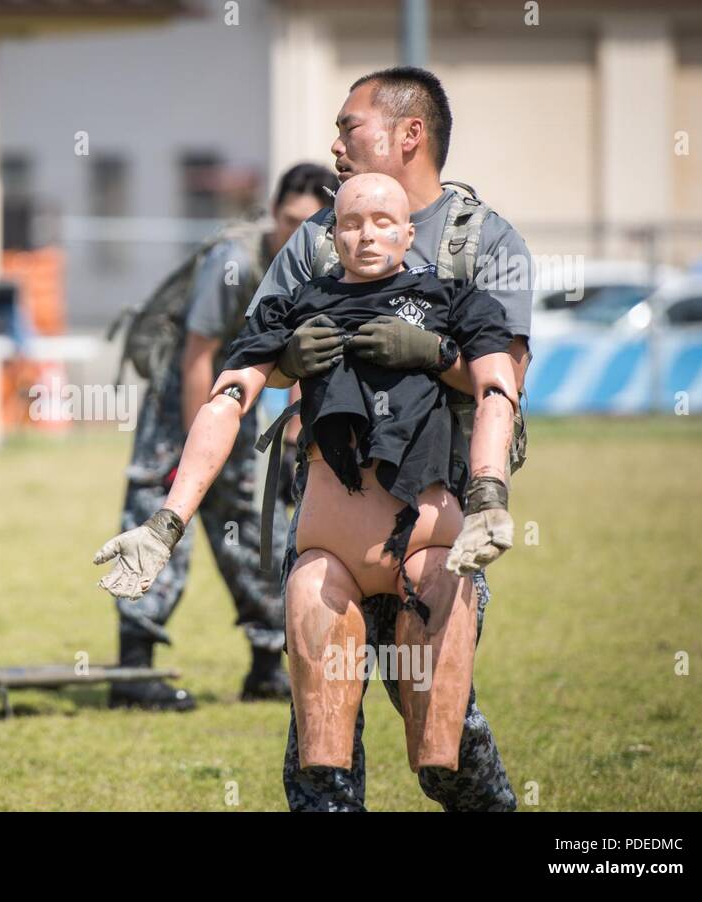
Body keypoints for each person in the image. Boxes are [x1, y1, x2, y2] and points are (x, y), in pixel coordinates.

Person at [94, 172, 519, 796]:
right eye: (350, 222)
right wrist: (167, 522)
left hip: (431, 546)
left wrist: (488, 493)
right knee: (323, 759)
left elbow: (497, 390)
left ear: (409, 231)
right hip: (327, 555)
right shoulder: (294, 304)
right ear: (331, 233)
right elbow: (227, 395)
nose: (367, 234)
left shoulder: (453, 300)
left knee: (442, 754)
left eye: (382, 222)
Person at [243, 66, 533, 811]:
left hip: (435, 515)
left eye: (349, 125)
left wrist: (434, 355)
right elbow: (256, 362)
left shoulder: (483, 240)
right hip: (331, 511)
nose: (335, 142)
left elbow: (507, 377)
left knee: (439, 730)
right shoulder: (315, 238)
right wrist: (284, 361)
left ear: (409, 135)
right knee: (319, 746)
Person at [108, 164, 340, 711]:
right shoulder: (235, 263)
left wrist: (291, 448)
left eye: (310, 224)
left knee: (257, 529)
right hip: (186, 408)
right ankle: (133, 672)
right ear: (272, 213)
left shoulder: (322, 265)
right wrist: (197, 451)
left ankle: (266, 665)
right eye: (287, 220)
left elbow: (307, 362)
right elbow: (196, 357)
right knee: (164, 519)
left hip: (245, 407)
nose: (295, 233)